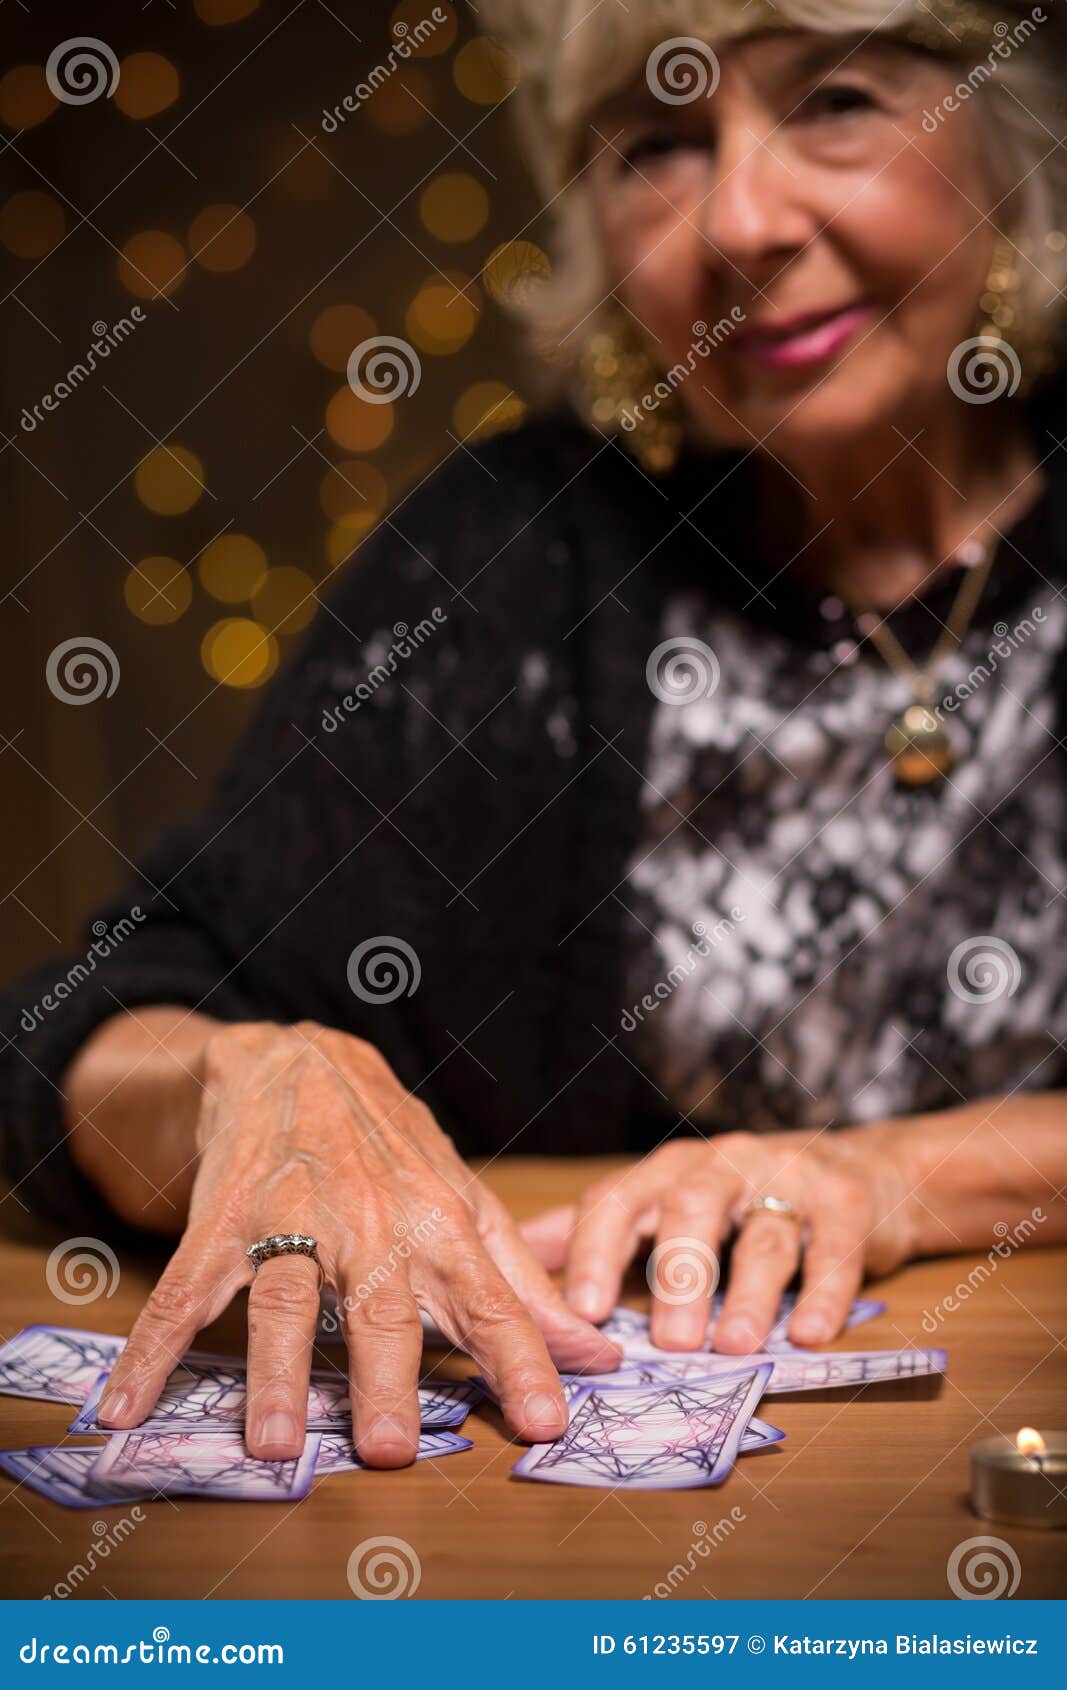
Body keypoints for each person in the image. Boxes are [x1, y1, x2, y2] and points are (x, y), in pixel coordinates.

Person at [2, 0, 1066, 1469]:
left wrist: (895, 1181)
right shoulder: (513, 553)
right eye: (658, 143)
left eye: (835, 102)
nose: (743, 218)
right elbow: (100, 1021)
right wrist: (243, 1077)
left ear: (1005, 140)